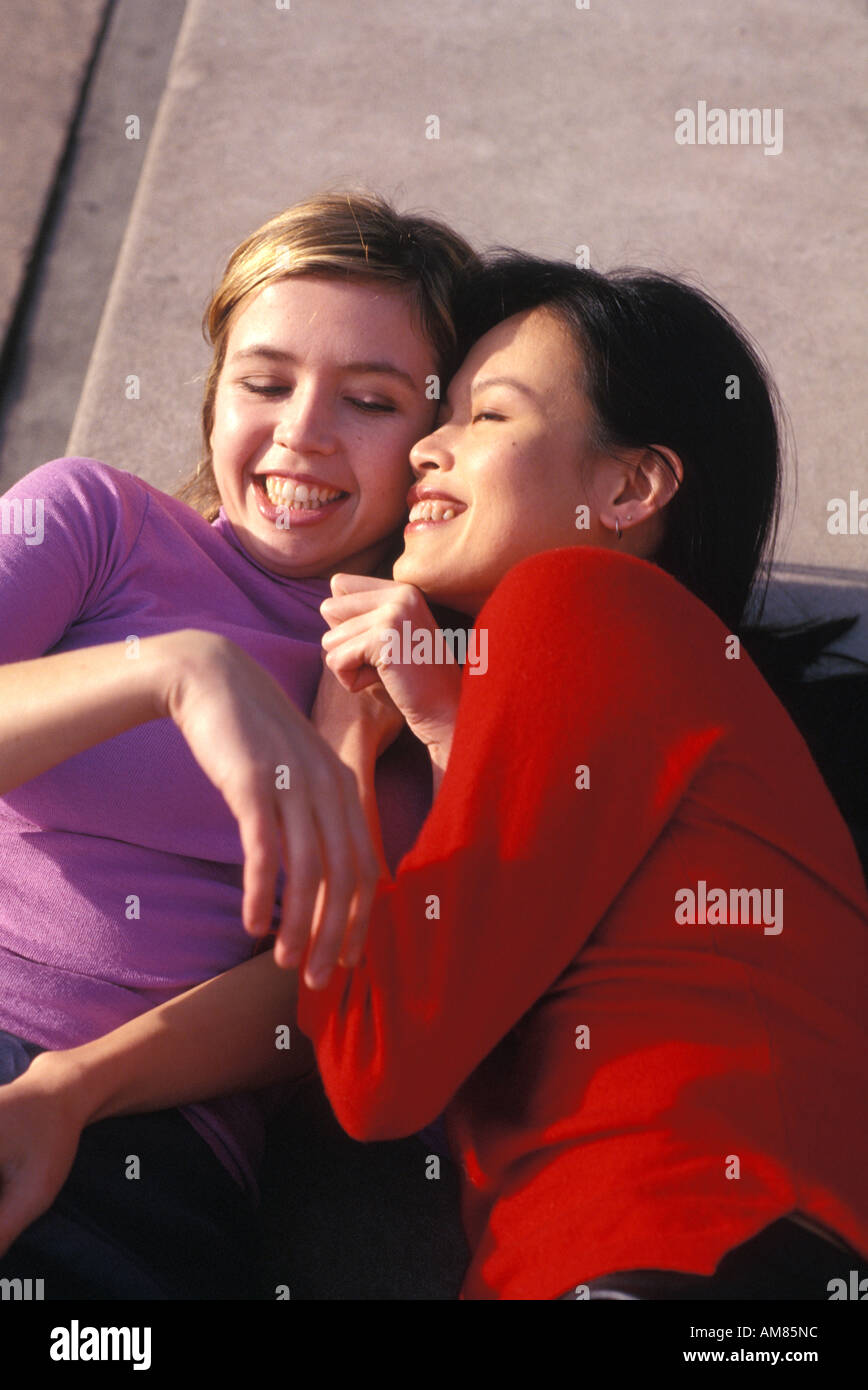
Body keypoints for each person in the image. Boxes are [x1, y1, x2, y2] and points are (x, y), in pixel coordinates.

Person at [3, 255, 867, 1301]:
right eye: (436, 415)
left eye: (483, 418)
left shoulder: (577, 599)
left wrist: (341, 740)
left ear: (630, 488)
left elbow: (376, 1067)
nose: (429, 449)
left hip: (688, 1251)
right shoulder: (590, 679)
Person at [0, 191, 477, 1297]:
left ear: (438, 442)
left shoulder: (420, 688)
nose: (302, 431)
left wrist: (72, 1089)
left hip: (143, 1146)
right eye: (265, 383)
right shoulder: (95, 522)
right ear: (216, 393)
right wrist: (167, 671)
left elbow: (322, 1003)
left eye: (369, 399)